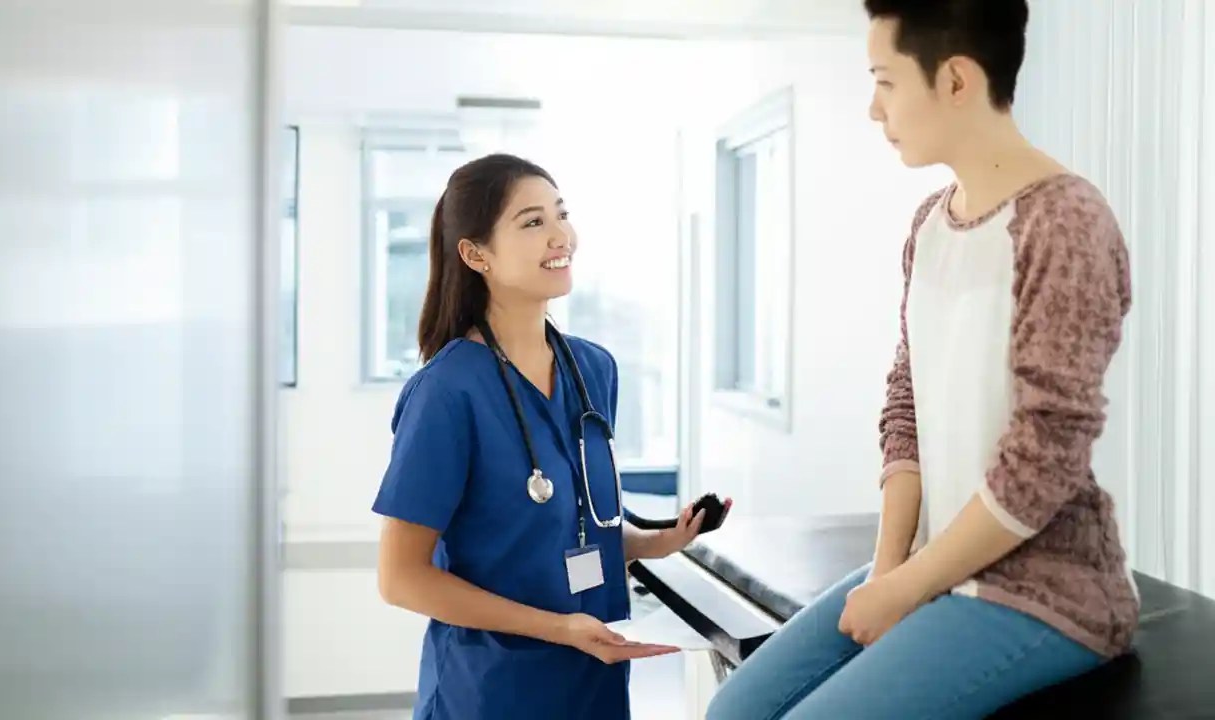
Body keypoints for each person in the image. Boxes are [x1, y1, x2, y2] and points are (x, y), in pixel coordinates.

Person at [705, 1, 1138, 718]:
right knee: (732, 711)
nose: (874, 108)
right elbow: (905, 400)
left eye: (886, 80)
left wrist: (905, 590)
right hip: (935, 567)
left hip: (1043, 589)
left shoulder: (1065, 222)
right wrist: (886, 572)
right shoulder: (930, 223)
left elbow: (1046, 458)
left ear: (957, 80)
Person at [373, 152, 733, 720]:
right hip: (490, 692)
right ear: (475, 254)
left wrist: (656, 543)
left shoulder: (594, 371)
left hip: (594, 683)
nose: (561, 234)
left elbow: (569, 529)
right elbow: (401, 578)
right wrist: (557, 628)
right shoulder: (446, 394)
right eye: (533, 221)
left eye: (561, 214)